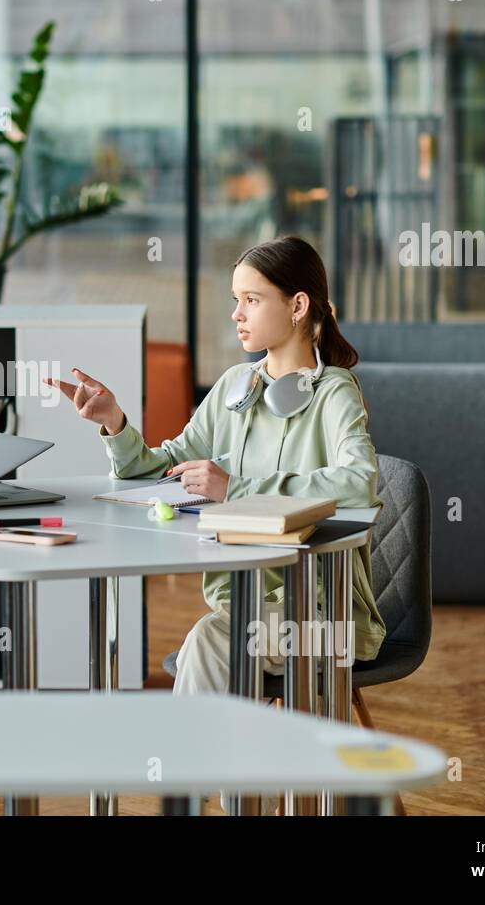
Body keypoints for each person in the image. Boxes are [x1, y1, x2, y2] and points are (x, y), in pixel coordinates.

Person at [46, 236, 386, 696]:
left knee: (206, 643)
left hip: (321, 617)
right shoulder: (235, 386)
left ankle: (204, 766)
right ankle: (225, 761)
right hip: (241, 608)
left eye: (252, 299)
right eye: (235, 300)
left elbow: (360, 482)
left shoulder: (333, 391)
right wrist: (115, 423)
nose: (237, 314)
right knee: (209, 644)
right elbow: (158, 472)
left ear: (298, 305)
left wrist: (236, 488)